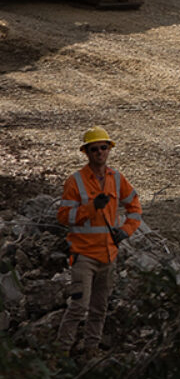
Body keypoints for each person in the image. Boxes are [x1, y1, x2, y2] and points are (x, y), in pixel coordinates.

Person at [54, 127, 143, 357]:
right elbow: (64, 217)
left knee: (99, 308)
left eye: (103, 148)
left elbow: (135, 208)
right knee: (78, 307)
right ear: (86, 152)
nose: (100, 153)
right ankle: (59, 355)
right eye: (94, 149)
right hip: (84, 255)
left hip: (108, 255)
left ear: (109, 149)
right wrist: (91, 208)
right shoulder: (76, 181)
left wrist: (125, 231)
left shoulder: (116, 178)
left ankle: (91, 349)